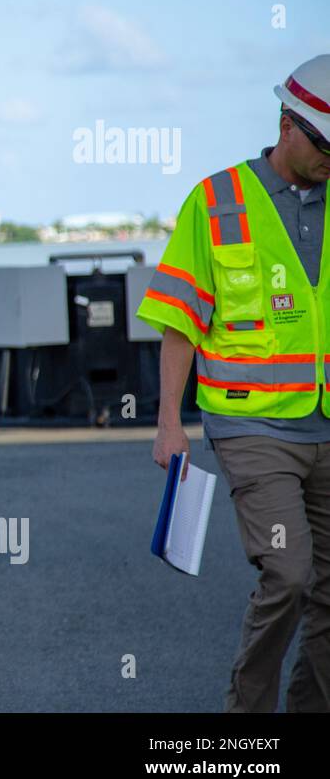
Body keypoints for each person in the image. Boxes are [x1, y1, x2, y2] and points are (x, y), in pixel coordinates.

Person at [137, 55, 330, 712]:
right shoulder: (216, 202)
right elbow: (179, 323)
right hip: (252, 429)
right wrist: (169, 420)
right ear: (287, 121)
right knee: (289, 572)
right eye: (324, 142)